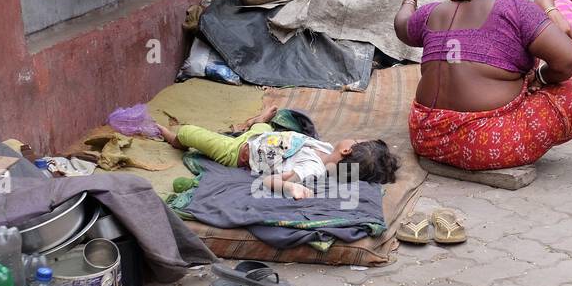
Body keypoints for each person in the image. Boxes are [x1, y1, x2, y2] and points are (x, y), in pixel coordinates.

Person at [394, 0, 572, 170]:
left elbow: (402, 27)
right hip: (484, 143)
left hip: (425, 136)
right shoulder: (515, 8)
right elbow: (569, 60)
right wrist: (539, 78)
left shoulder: (430, 12)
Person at [158, 112, 398, 200]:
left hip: (238, 152)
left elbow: (268, 182)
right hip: (262, 139)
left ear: (346, 150)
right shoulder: (325, 149)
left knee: (191, 132)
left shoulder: (311, 168)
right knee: (264, 128)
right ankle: (257, 123)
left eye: (356, 141)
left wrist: (290, 189)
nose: (352, 138)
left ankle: (175, 140)